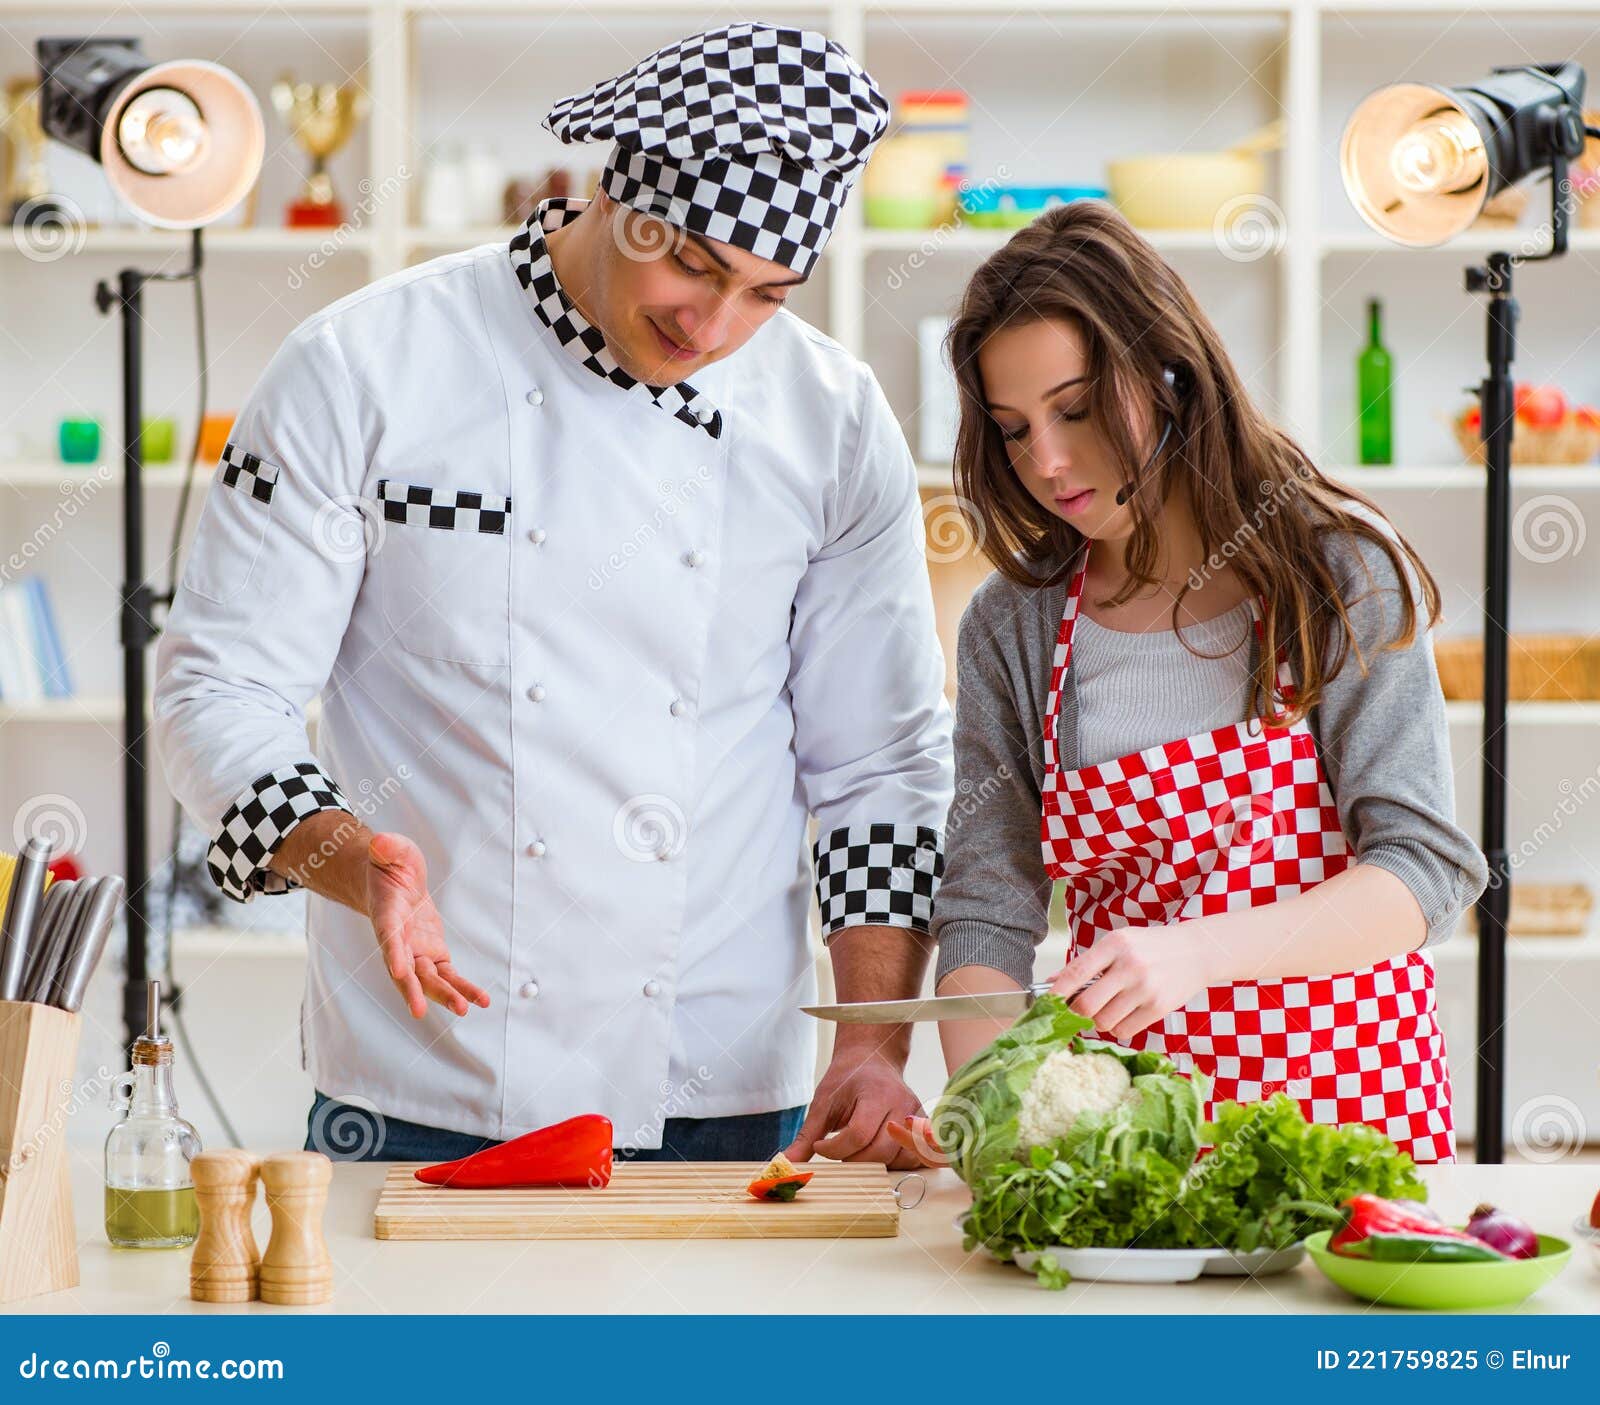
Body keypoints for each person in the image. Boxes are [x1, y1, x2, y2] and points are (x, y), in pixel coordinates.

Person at [154, 23, 952, 1168]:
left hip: (727, 1079)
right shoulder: (364, 366)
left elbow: (877, 762)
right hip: (430, 1073)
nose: (711, 329)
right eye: (688, 264)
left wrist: (873, 1041)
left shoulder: (830, 415)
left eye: (765, 294)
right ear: (611, 192)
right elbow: (217, 691)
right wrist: (346, 852)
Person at [896, 199, 1486, 1166]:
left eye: (1077, 409)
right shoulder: (1015, 622)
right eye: (1012, 428)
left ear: (1170, 373)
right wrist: (988, 1124)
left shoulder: (1335, 576)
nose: (1046, 460)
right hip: (1120, 1145)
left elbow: (1424, 869)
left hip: (1344, 1124)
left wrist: (1194, 952)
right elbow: (988, 906)